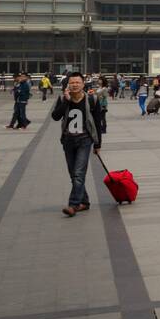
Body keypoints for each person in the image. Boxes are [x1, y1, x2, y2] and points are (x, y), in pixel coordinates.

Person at [51, 73, 104, 217]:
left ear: (83, 84)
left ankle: (73, 205)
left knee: (79, 173)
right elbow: (55, 116)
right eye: (72, 82)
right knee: (73, 175)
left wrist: (98, 144)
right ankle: (84, 202)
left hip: (84, 140)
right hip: (68, 140)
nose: (74, 84)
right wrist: (67, 102)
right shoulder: (63, 99)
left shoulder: (92, 99)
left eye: (77, 82)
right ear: (68, 84)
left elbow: (98, 123)